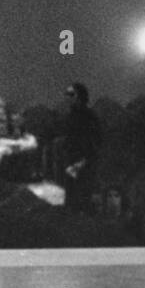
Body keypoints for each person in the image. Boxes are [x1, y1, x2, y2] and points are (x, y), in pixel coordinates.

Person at [62, 82, 102, 213]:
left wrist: (89, 155)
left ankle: (82, 209)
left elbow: (97, 136)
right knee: (73, 186)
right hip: (73, 155)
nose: (67, 97)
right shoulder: (71, 115)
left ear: (79, 96)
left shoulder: (88, 116)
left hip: (84, 156)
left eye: (71, 94)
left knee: (83, 185)